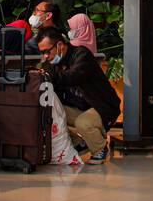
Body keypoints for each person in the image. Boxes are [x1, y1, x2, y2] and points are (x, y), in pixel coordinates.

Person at [37, 25, 120, 163]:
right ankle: (80, 143)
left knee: (83, 123)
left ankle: (100, 149)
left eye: (47, 51)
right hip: (80, 108)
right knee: (47, 113)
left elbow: (73, 76)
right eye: (42, 52)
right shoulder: (51, 63)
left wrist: (49, 75)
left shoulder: (82, 55)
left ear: (59, 45)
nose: (45, 56)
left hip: (102, 107)